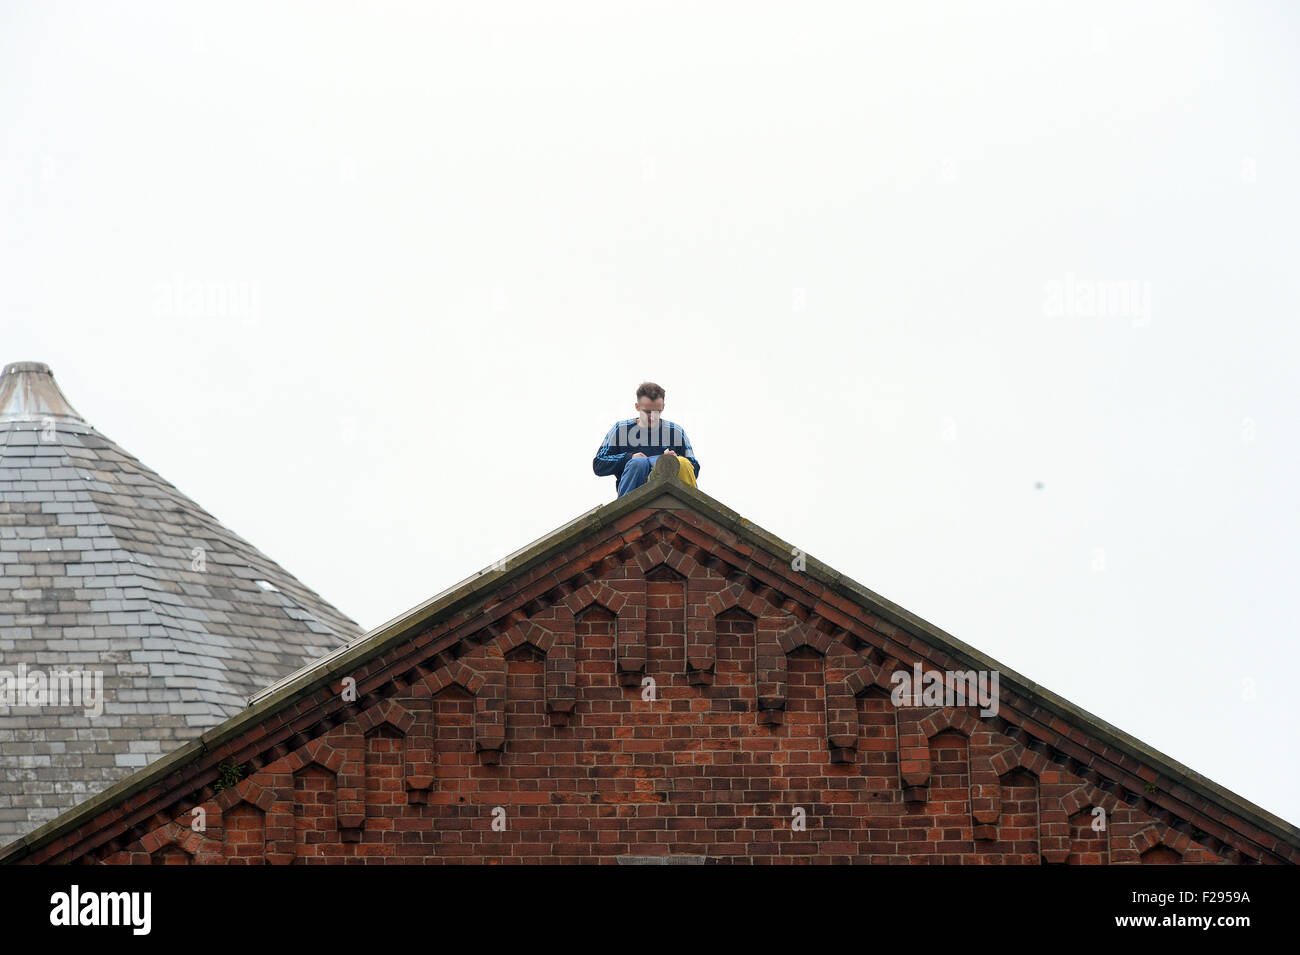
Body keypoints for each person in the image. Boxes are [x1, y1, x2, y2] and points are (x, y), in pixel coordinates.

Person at [593, 382, 700, 498]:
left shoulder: (675, 431)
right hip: (633, 490)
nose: (653, 416)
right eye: (647, 412)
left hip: (670, 495)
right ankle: (627, 511)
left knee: (682, 462)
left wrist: (675, 460)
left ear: (663, 407)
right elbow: (599, 464)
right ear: (637, 407)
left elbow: (694, 468)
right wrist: (628, 458)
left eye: (657, 411)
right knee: (639, 463)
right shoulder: (621, 429)